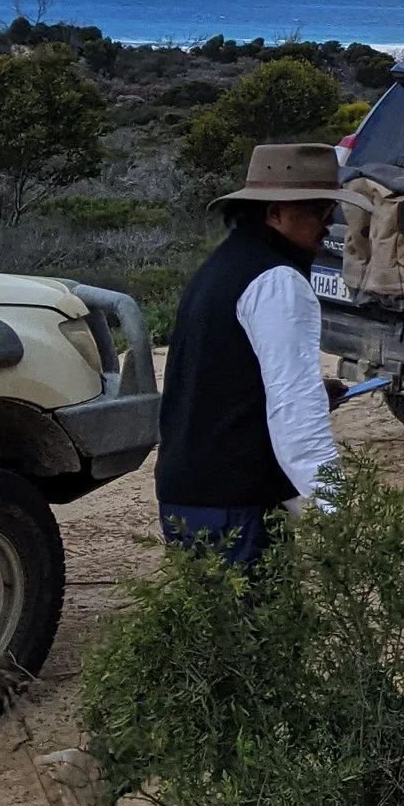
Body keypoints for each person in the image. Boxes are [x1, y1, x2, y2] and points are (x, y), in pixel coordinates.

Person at [153, 138, 345, 568]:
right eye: (317, 211)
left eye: (330, 212)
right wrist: (341, 505)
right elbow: (297, 412)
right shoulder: (278, 281)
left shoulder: (221, 267)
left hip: (186, 494)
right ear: (275, 213)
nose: (327, 225)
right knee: (258, 632)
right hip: (237, 505)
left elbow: (224, 377)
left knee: (211, 630)